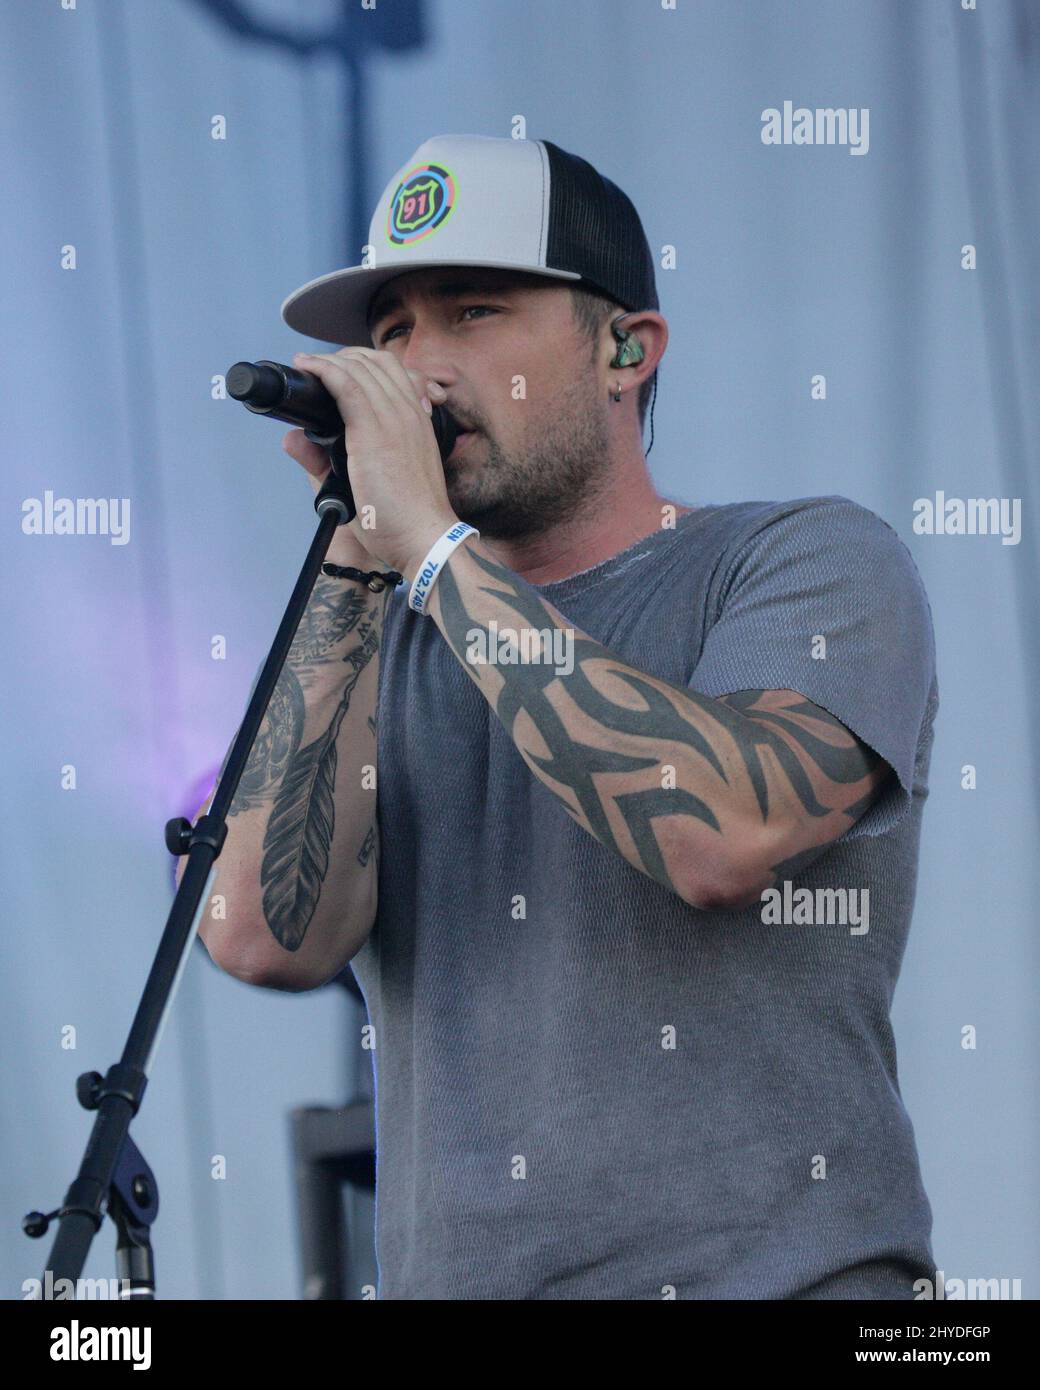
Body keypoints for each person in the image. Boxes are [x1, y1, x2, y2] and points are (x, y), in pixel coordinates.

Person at [194, 134, 940, 1299]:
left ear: (623, 350)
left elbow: (716, 835)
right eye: (390, 335)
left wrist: (430, 549)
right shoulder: (380, 635)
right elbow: (258, 938)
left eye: (475, 312)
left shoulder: (800, 558)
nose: (420, 369)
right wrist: (357, 551)